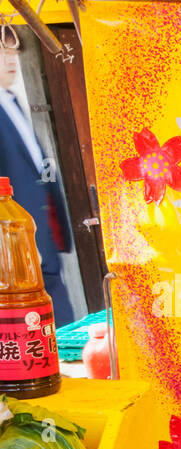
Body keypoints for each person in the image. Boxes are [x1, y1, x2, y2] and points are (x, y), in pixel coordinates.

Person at [0, 36, 75, 327]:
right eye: (2, 53)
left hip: (42, 237)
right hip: (15, 244)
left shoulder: (12, 103)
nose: (11, 61)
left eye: (13, 52)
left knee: (59, 325)